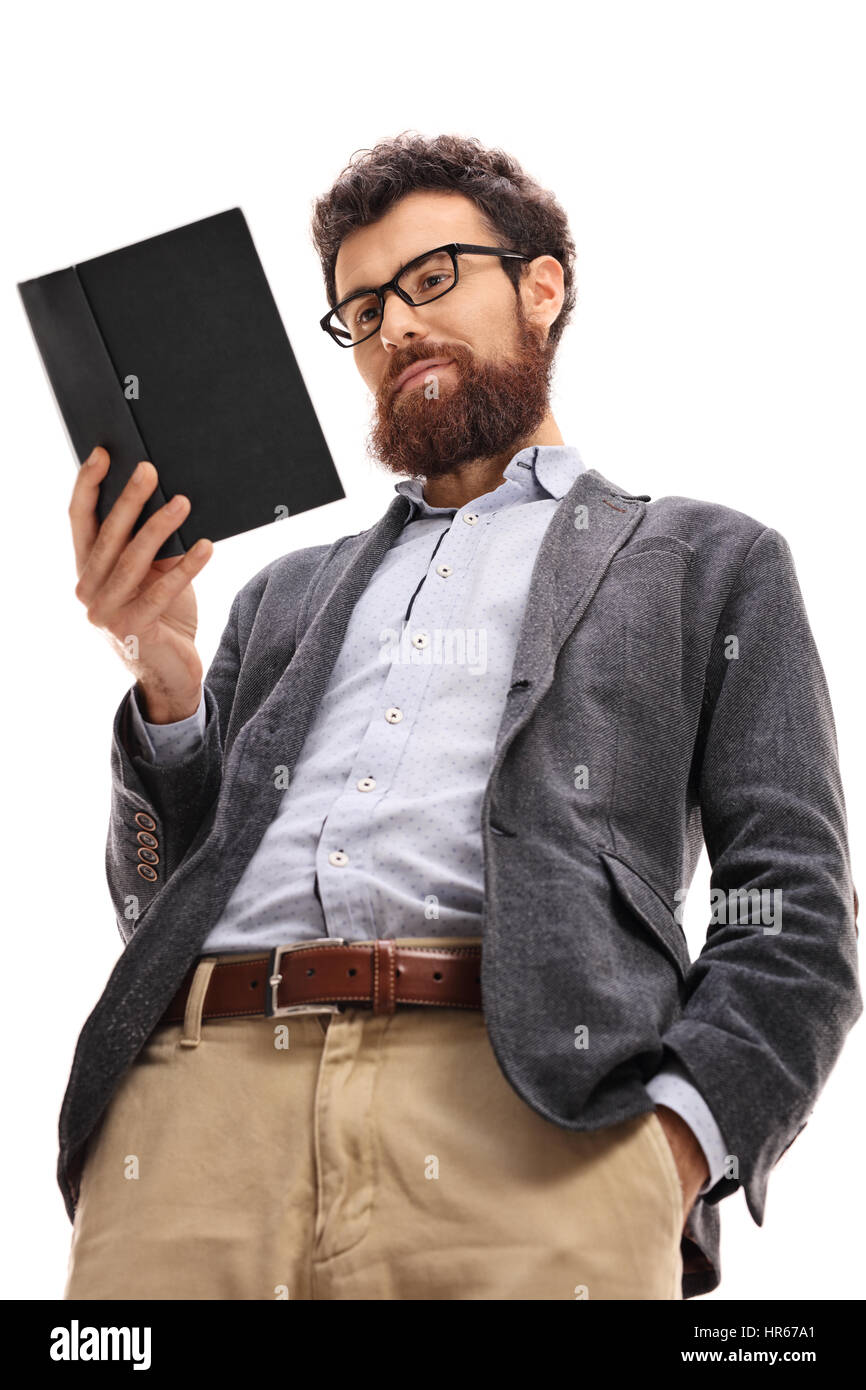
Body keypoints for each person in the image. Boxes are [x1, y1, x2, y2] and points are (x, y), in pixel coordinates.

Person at [60, 132, 861, 1301]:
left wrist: (674, 1146)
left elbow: (786, 898)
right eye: (363, 308)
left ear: (542, 287)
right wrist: (167, 684)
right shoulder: (282, 594)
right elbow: (156, 898)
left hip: (536, 1122)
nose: (393, 325)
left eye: (430, 278)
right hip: (198, 1122)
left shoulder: (703, 559)